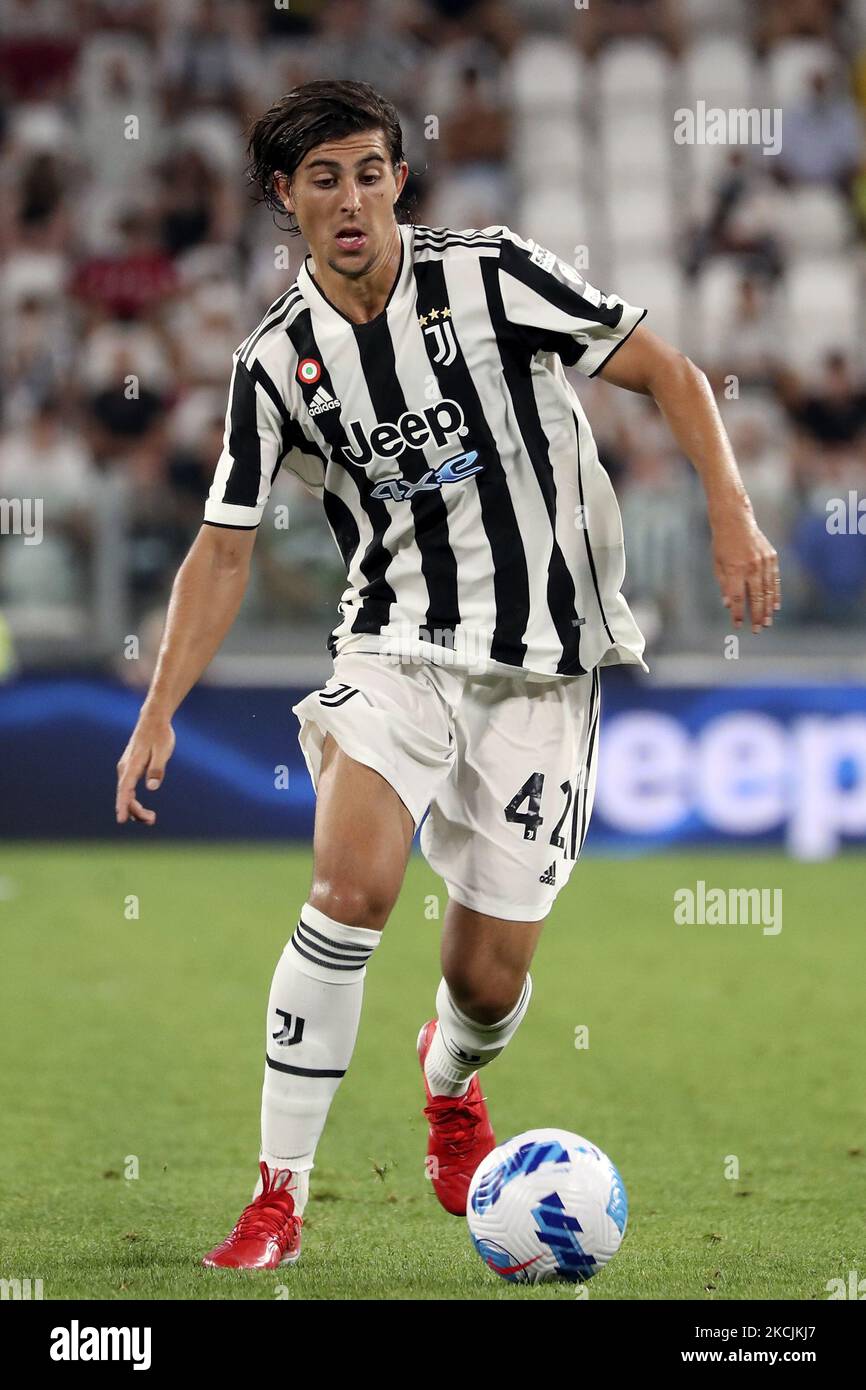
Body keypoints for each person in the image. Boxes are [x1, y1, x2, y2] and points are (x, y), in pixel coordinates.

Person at [115, 79, 780, 1270]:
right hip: (393, 644)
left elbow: (671, 373)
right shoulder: (273, 364)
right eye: (324, 180)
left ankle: (449, 1077)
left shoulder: (491, 275)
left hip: (543, 662)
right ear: (284, 197)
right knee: (349, 889)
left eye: (369, 173)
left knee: (484, 979)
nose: (351, 200)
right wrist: (159, 705)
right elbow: (223, 546)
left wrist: (730, 514)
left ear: (398, 181)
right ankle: (277, 1198)